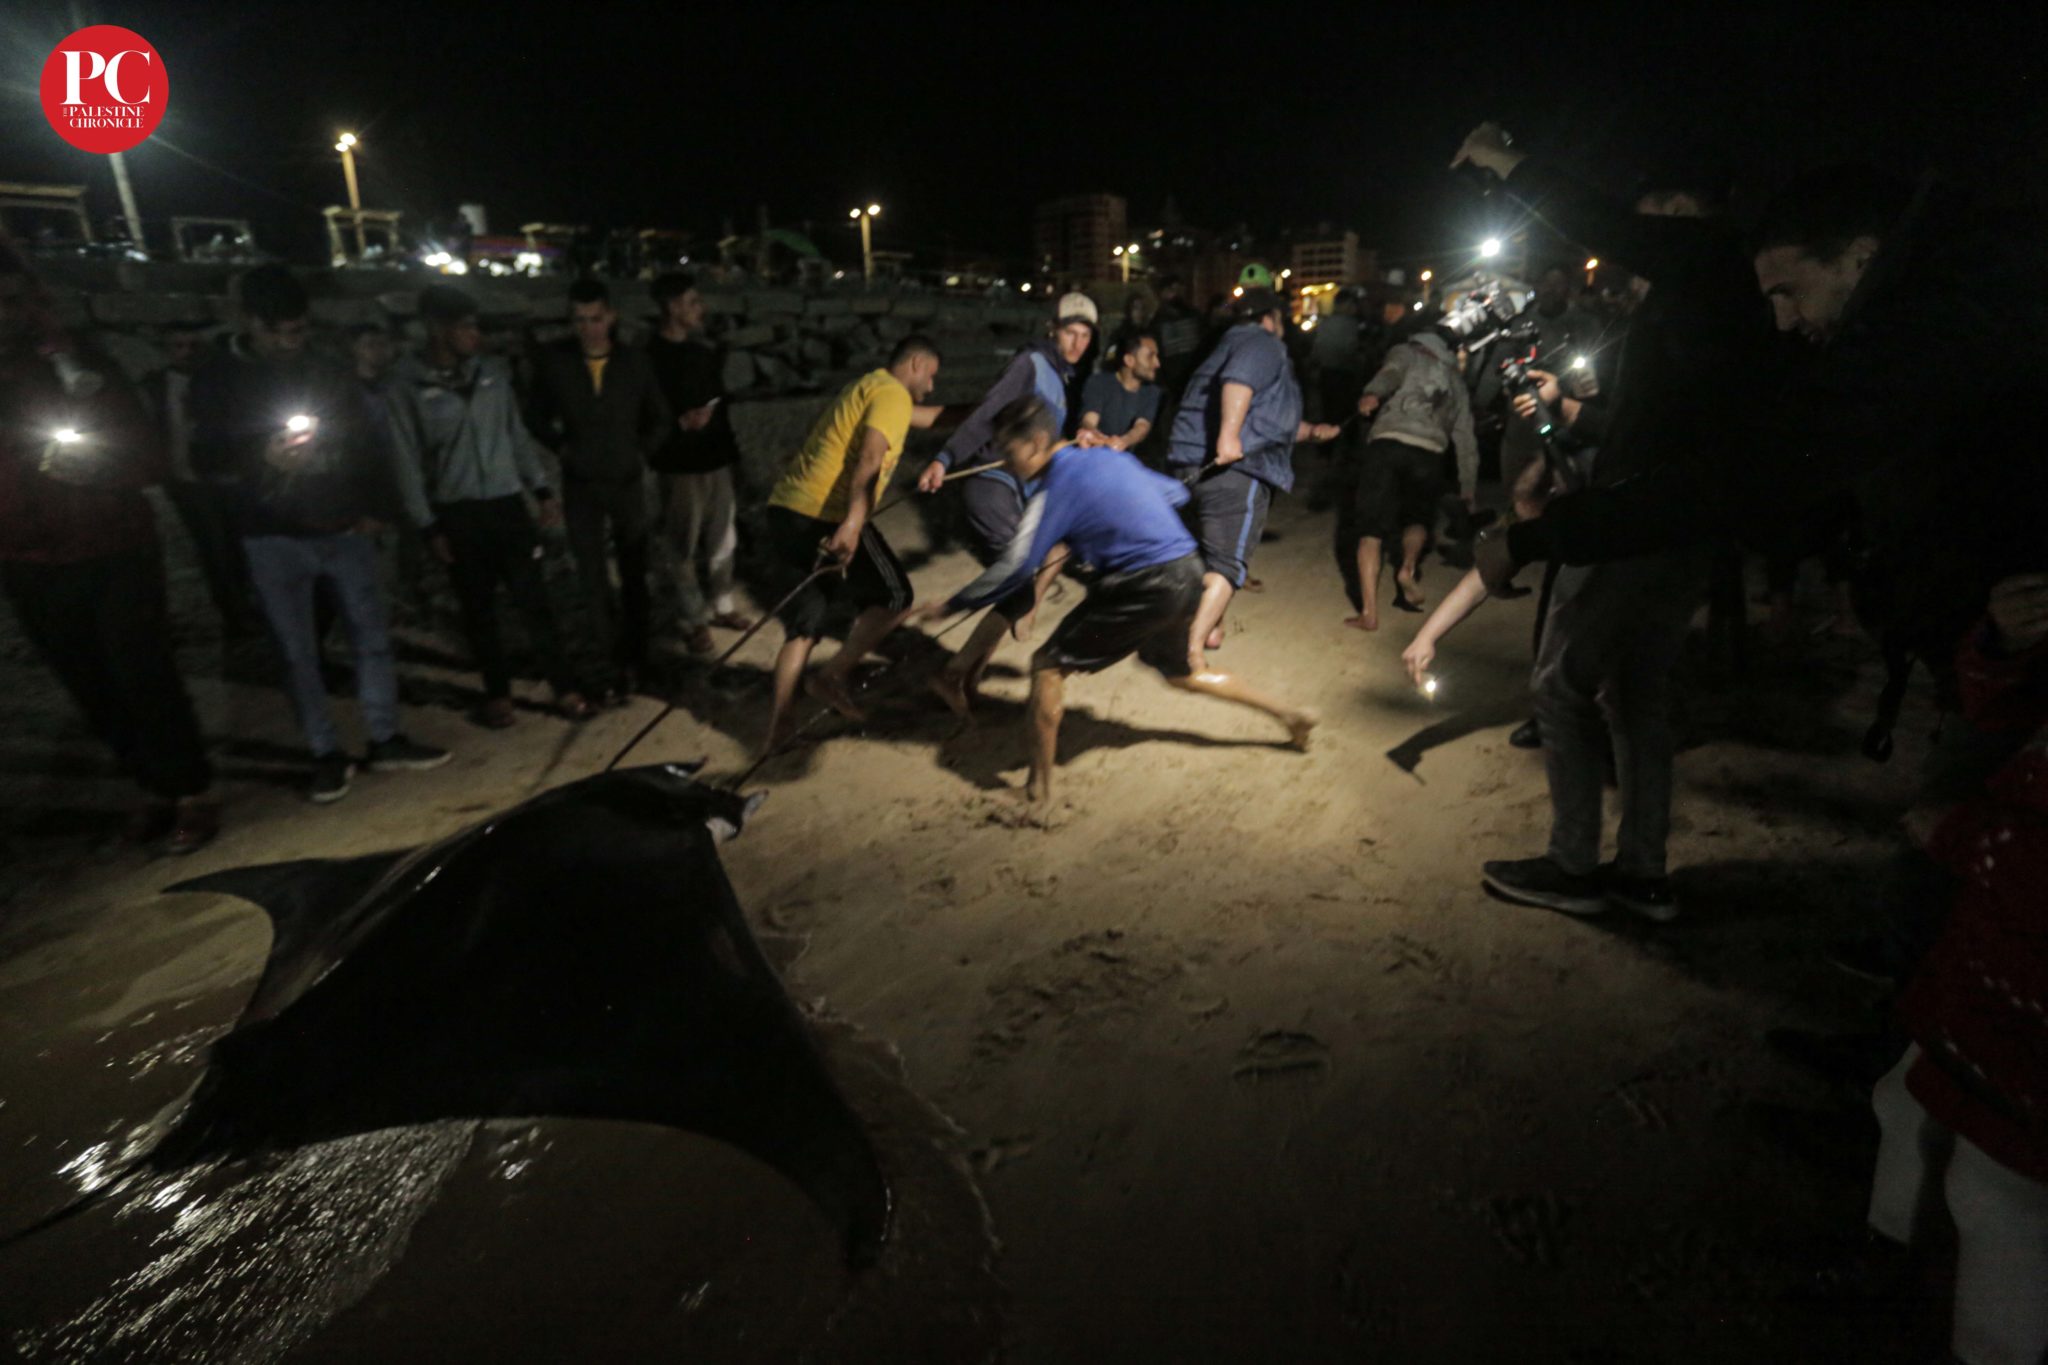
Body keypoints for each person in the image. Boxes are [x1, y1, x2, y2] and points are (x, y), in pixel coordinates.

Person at [1448, 124, 1770, 922]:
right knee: (1637, 693)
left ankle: (1572, 865)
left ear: (1682, 207)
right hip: (1680, 520)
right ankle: (1642, 873)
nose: (1642, 228)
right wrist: (1573, 424)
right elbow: (1662, 416)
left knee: (1561, 682)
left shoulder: (1703, 259)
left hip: (1644, 525)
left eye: (1654, 210)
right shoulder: (1713, 295)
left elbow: (1597, 220)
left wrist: (1506, 161)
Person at [912, 395, 1315, 806]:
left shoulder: (1052, 489)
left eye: (1009, 450)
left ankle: (1038, 793)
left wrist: (953, 604)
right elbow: (1175, 493)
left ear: (1035, 442)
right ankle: (1290, 715)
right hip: (1187, 573)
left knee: (1046, 667)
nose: (1007, 461)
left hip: (1142, 584)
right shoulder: (1111, 458)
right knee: (1184, 674)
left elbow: (1017, 566)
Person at [1865, 571, 2047, 1365]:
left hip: (2031, 1008)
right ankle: (1884, 1281)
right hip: (1989, 962)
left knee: (2002, 1198)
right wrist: (2005, 643)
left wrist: (1968, 837)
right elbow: (2007, 717)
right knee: (1908, 1106)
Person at [187, 264, 450, 803]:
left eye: (299, 330)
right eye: (280, 332)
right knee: (296, 651)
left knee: (370, 638)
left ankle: (385, 737)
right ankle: (324, 753)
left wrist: (376, 507)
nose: (291, 342)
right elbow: (202, 455)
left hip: (342, 525)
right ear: (250, 323)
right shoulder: (217, 377)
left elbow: (365, 444)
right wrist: (260, 455)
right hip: (270, 538)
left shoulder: (326, 370)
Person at [0, 242, 220, 852]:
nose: (4, 314)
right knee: (89, 682)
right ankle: (152, 786)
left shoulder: (79, 366)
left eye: (14, 300)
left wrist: (100, 469)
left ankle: (193, 790)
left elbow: (148, 455)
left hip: (112, 548)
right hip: (26, 560)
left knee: (143, 673)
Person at [387, 285, 592, 728]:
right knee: (477, 608)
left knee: (533, 600)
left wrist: (540, 490)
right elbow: (404, 462)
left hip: (505, 505)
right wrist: (428, 527)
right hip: (457, 511)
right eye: (466, 326)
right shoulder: (405, 386)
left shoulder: (492, 374)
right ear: (437, 330)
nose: (476, 335)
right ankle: (497, 693)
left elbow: (514, 436)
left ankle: (565, 687)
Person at [913, 293, 1098, 709]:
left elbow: (1041, 448)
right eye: (1071, 332)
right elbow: (986, 413)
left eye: (1085, 335)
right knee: (1018, 588)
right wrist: (944, 458)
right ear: (1054, 328)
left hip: (1016, 491)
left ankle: (966, 675)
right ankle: (954, 675)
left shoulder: (1059, 379)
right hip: (991, 483)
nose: (1078, 343)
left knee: (1041, 566)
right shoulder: (1030, 364)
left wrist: (1074, 442)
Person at [760, 336, 943, 754]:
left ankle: (779, 729)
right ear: (915, 363)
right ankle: (832, 676)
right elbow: (870, 458)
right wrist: (854, 523)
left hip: (786, 512)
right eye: (930, 376)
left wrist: (986, 413)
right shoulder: (893, 395)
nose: (931, 386)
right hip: (824, 516)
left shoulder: (868, 386)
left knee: (805, 623)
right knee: (895, 595)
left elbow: (930, 417)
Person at [1164, 286, 1339, 670]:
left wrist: (1310, 431)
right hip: (1232, 470)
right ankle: (1191, 648)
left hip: (1188, 464)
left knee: (1203, 556)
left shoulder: (1220, 347)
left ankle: (1211, 629)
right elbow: (1239, 383)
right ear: (1269, 318)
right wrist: (1228, 437)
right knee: (1227, 565)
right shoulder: (1261, 343)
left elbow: (1265, 417)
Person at [525, 278, 671, 694]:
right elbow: (534, 416)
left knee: (634, 573)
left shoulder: (634, 362)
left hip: (626, 480)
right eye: (579, 319)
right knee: (591, 577)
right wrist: (562, 448)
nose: (588, 327)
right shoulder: (556, 363)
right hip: (581, 483)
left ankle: (639, 658)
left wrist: (639, 453)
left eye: (595, 318)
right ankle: (610, 662)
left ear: (611, 316)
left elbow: (659, 415)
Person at [1341, 313, 1481, 629]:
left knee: (1370, 531)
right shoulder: (1456, 381)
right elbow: (1465, 437)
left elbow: (1390, 374)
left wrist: (1372, 394)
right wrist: (1468, 485)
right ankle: (1406, 567)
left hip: (1389, 445)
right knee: (1417, 519)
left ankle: (1369, 613)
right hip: (1430, 453)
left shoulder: (1406, 352)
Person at [646, 271, 754, 656]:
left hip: (714, 460)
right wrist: (678, 424)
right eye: (692, 302)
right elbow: (644, 415)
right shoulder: (649, 358)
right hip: (679, 466)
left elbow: (721, 410)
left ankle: (722, 605)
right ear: (672, 307)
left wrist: (734, 460)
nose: (700, 309)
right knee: (682, 545)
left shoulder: (701, 353)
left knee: (724, 536)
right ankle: (691, 619)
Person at [144, 316, 255, 634]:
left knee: (236, 545)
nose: (186, 352)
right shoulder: (155, 385)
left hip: (226, 475)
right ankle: (235, 614)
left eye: (192, 345)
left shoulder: (219, 381)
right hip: (185, 480)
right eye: (178, 346)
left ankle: (248, 605)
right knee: (213, 549)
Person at [1077, 330, 1161, 451]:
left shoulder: (1151, 392)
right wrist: (1094, 435)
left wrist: (1123, 441)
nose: (1157, 363)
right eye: (1150, 356)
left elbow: (1142, 426)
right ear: (1129, 360)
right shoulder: (1098, 383)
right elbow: (1089, 420)